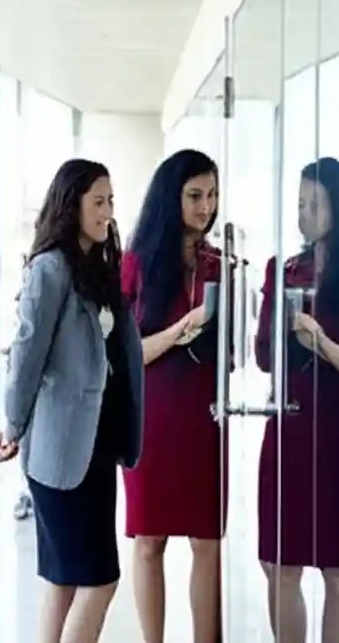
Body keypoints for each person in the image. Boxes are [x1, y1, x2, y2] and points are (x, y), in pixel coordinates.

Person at [0, 158, 145, 643]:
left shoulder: (94, 269)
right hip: (62, 454)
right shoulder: (50, 268)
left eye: (110, 202)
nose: (107, 212)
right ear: (71, 205)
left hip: (94, 450)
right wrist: (12, 425)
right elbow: (26, 354)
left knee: (63, 579)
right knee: (100, 581)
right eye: (97, 202)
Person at [254, 157, 339, 643]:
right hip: (290, 430)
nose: (302, 213)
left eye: (314, 204)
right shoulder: (284, 270)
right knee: (279, 564)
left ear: (338, 209)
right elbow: (263, 355)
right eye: (299, 202)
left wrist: (320, 342)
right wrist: (281, 331)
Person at [120, 149, 229, 643]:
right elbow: (120, 355)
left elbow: (235, 351)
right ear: (171, 197)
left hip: (206, 416)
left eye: (211, 195)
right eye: (194, 195)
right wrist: (178, 333)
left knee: (208, 542)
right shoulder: (135, 264)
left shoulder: (220, 264)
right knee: (149, 543)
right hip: (151, 417)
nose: (205, 207)